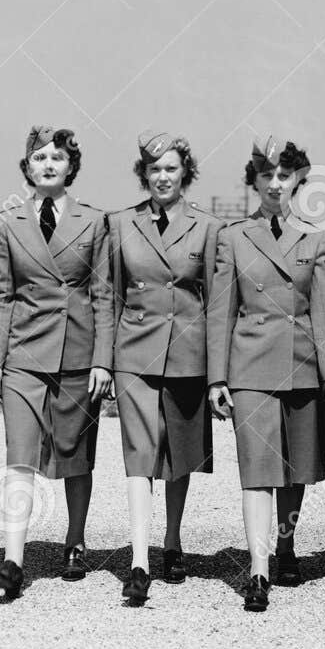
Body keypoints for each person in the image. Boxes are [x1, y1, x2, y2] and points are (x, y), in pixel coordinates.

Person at [208, 136, 325, 613]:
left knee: (295, 468)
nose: (275, 184)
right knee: (258, 470)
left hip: (304, 363)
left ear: (299, 181)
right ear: (255, 181)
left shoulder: (318, 235)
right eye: (266, 176)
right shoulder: (233, 236)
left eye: (284, 176)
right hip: (251, 367)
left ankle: (286, 546)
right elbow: (221, 310)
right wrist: (216, 379)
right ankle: (259, 567)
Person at [0, 126, 113, 601]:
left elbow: (103, 295)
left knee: (76, 456)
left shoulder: (94, 222)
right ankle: (12, 559)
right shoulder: (6, 223)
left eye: (58, 157)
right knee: (19, 454)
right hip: (23, 353)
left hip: (78, 355)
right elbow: (0, 295)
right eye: (39, 158)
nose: (48, 164)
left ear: (70, 166)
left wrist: (104, 360)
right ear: (27, 168)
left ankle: (75, 543)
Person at [108, 131, 222, 605]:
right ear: (144, 174)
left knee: (178, 454)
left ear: (184, 174)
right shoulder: (120, 224)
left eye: (171, 168)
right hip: (133, 352)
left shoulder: (209, 226)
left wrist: (218, 374)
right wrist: (103, 362)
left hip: (188, 355)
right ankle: (139, 560)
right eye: (154, 169)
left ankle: (171, 541)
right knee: (140, 452)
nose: (162, 177)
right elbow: (107, 296)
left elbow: (217, 302)